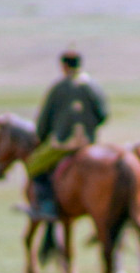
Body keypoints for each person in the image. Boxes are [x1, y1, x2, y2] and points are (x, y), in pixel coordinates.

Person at [26, 49, 107, 221]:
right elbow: (103, 114)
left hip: (63, 142)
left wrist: (42, 136)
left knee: (33, 164)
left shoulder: (59, 87)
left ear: (63, 66)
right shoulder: (91, 85)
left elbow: (45, 117)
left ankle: (47, 206)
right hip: (88, 142)